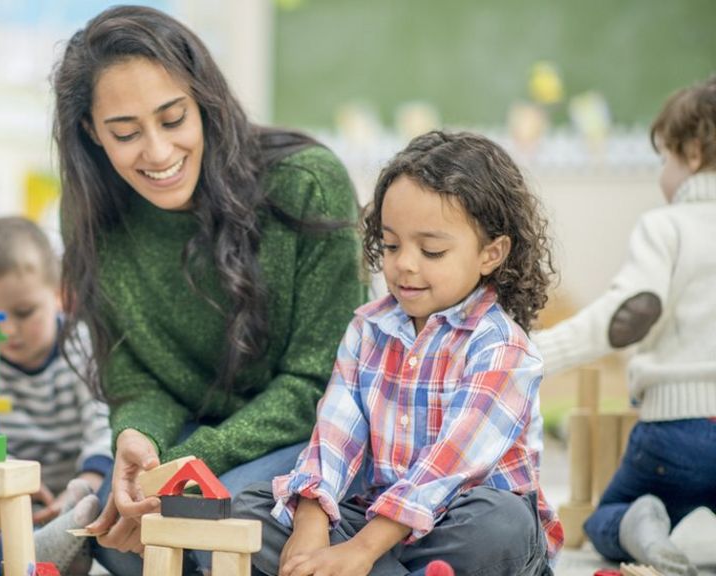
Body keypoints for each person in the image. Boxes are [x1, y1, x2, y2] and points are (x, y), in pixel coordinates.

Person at [52, 5, 366, 574]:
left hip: (315, 442)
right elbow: (135, 377)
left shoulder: (308, 184)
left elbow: (320, 383)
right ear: (92, 134)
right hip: (201, 442)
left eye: (173, 119)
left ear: (205, 104)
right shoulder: (92, 220)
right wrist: (138, 441)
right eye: (125, 133)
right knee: (117, 536)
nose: (157, 152)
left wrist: (189, 464)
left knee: (206, 525)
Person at [236, 131, 564, 576]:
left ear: (491, 253)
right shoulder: (368, 330)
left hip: (460, 527)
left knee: (501, 525)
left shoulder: (503, 349)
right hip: (379, 525)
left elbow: (446, 468)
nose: (404, 263)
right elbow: (333, 437)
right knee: (250, 509)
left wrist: (360, 552)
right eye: (391, 245)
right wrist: (309, 524)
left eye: (431, 250)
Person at [533, 76, 716, 576]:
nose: (664, 173)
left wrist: (534, 351)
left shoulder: (668, 226)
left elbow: (631, 312)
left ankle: (640, 522)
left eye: (665, 160)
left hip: (675, 433)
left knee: (604, 518)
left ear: (693, 153)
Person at [0, 215, 111, 573]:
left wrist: (87, 481)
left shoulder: (82, 348)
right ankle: (28, 547)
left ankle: (57, 540)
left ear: (59, 294)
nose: (6, 330)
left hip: (71, 486)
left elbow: (102, 427)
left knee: (100, 502)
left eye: (24, 312)